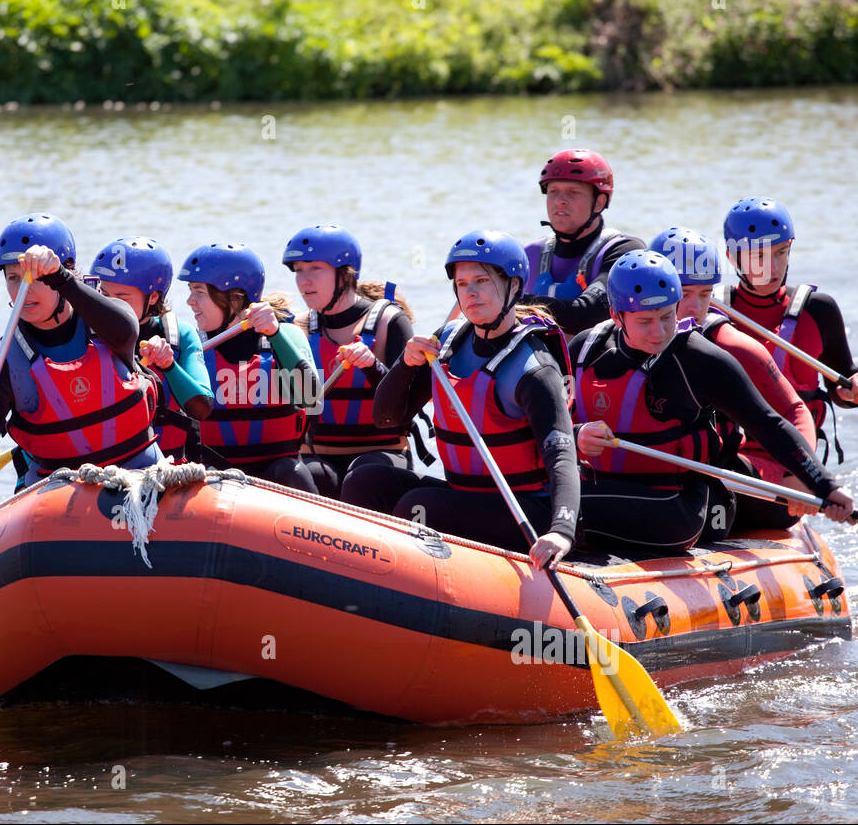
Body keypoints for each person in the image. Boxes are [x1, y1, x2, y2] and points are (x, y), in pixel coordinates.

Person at [571, 249, 854, 554]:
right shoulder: (586, 350)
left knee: (563, 509)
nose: (659, 331)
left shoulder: (701, 359)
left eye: (667, 316)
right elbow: (547, 424)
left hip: (678, 506)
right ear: (616, 316)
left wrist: (825, 486)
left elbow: (769, 424)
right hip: (608, 486)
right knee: (544, 500)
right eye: (645, 321)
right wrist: (576, 434)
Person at [342, 231, 580, 570]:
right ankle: (355, 578)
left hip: (525, 510)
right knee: (366, 480)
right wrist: (404, 367)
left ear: (514, 286)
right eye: (463, 283)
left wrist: (561, 531)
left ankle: (406, 583)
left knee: (421, 504)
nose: (471, 292)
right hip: (465, 497)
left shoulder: (534, 369)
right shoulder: (448, 343)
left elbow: (562, 455)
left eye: (482, 281)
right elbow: (387, 419)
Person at [0, 214, 160, 540]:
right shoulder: (4, 359)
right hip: (58, 499)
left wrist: (61, 278)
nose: (24, 288)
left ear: (64, 273)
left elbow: (127, 327)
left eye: (36, 278)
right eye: (13, 278)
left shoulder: (105, 323)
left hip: (141, 479)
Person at [653, 227, 817, 533]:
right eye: (684, 293)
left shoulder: (734, 346)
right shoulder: (613, 339)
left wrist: (804, 475)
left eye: (705, 294)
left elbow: (794, 410)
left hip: (732, 475)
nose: (695, 308)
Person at [718, 197, 858, 463]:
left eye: (781, 252)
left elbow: (842, 388)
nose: (774, 267)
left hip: (797, 461)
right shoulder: (713, 313)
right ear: (733, 258)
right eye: (759, 256)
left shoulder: (819, 310)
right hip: (732, 461)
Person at [282, 224, 417, 498]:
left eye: (314, 269)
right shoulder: (299, 328)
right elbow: (289, 404)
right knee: (301, 474)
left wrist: (372, 366)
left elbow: (405, 406)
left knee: (362, 479)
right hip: (318, 457)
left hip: (382, 456)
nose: (303, 281)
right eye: (298, 271)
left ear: (345, 274)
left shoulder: (390, 322)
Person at [179, 241, 320, 491]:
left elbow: (311, 399)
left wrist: (275, 334)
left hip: (279, 475)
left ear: (234, 299)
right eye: (190, 291)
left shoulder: (286, 335)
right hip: (217, 477)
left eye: (199, 292)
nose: (190, 301)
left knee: (292, 471)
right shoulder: (191, 345)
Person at [92, 236, 214, 463]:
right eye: (105, 296)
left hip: (170, 470)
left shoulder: (179, 335)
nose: (110, 306)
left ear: (154, 296)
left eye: (122, 297)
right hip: (105, 471)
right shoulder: (86, 334)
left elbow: (202, 408)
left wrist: (169, 365)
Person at [520, 148, 646, 336]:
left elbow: (587, 313)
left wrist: (507, 302)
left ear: (599, 202)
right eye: (553, 191)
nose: (560, 201)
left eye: (572, 192)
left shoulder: (625, 252)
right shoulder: (528, 254)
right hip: (539, 363)